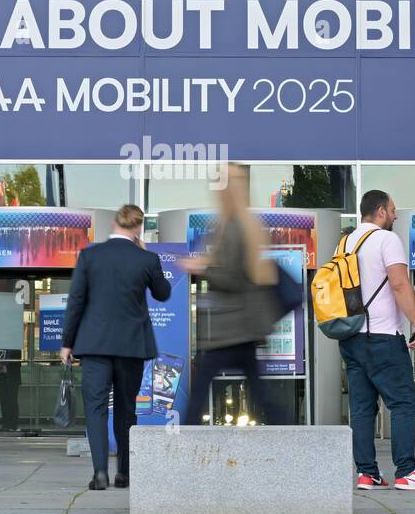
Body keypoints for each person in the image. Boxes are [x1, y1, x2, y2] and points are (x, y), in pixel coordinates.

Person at [334, 190, 415, 491]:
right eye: (393, 210)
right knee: (404, 402)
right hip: (382, 335)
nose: (395, 215)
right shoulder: (386, 239)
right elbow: (398, 282)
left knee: (363, 407)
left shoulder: (345, 241)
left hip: (351, 336)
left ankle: (366, 473)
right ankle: (407, 471)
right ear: (380, 211)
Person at [61, 204, 171, 490]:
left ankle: (100, 473)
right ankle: (125, 472)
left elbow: (76, 302)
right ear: (138, 227)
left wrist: (67, 343)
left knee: (96, 408)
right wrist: (145, 253)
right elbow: (163, 294)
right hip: (131, 345)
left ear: (114, 223)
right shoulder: (146, 258)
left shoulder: (89, 255)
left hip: (94, 345)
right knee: (126, 408)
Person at [181, 163, 281, 428]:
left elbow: (233, 276)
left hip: (229, 330)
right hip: (241, 328)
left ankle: (182, 446)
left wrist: (202, 267)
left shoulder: (233, 227)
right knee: (260, 393)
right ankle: (287, 430)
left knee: (200, 389)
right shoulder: (241, 224)